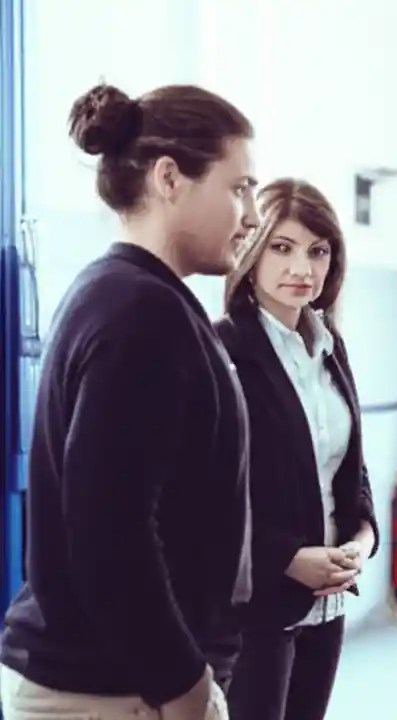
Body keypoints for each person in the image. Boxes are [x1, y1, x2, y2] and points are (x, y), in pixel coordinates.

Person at [0, 83, 259, 720]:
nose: (253, 214)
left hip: (122, 684)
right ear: (170, 178)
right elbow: (109, 531)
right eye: (239, 188)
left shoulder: (136, 296)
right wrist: (182, 685)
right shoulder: (140, 315)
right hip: (113, 693)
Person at [214, 178, 379, 720]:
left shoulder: (330, 348)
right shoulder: (223, 348)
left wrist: (363, 534)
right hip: (254, 608)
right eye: (281, 249)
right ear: (250, 253)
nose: (302, 270)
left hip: (326, 605)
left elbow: (347, 468)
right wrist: (284, 557)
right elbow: (202, 493)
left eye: (318, 251)